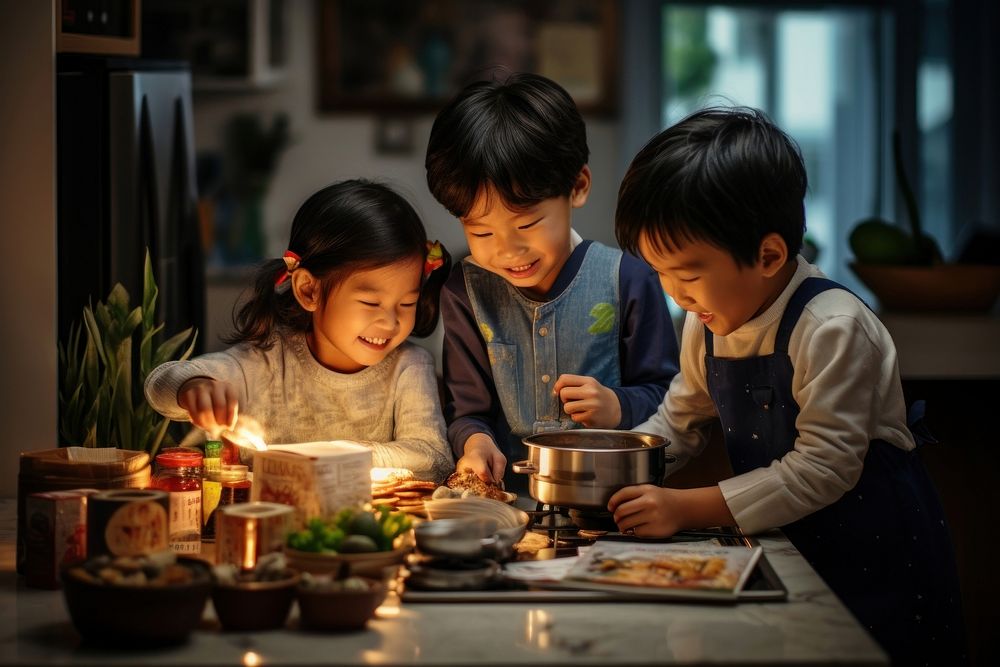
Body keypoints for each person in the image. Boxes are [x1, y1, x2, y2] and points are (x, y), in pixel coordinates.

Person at [610, 107, 965, 664]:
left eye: (688, 272)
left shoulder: (832, 327)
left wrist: (684, 508)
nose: (674, 292)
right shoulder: (704, 320)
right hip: (788, 542)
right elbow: (679, 418)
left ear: (769, 255)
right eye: (660, 272)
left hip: (874, 552)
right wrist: (611, 465)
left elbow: (824, 468)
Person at [425, 71, 679, 489]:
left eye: (527, 224)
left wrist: (617, 406)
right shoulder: (465, 292)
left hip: (614, 504)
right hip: (511, 506)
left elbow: (672, 399)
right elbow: (468, 410)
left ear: (577, 187)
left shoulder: (628, 280)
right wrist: (474, 443)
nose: (507, 250)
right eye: (482, 232)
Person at [145, 180, 455, 483]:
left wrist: (336, 454)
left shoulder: (409, 366)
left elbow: (433, 459)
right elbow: (160, 386)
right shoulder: (266, 360)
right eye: (370, 302)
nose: (390, 322)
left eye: (406, 303)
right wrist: (193, 385)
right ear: (308, 290)